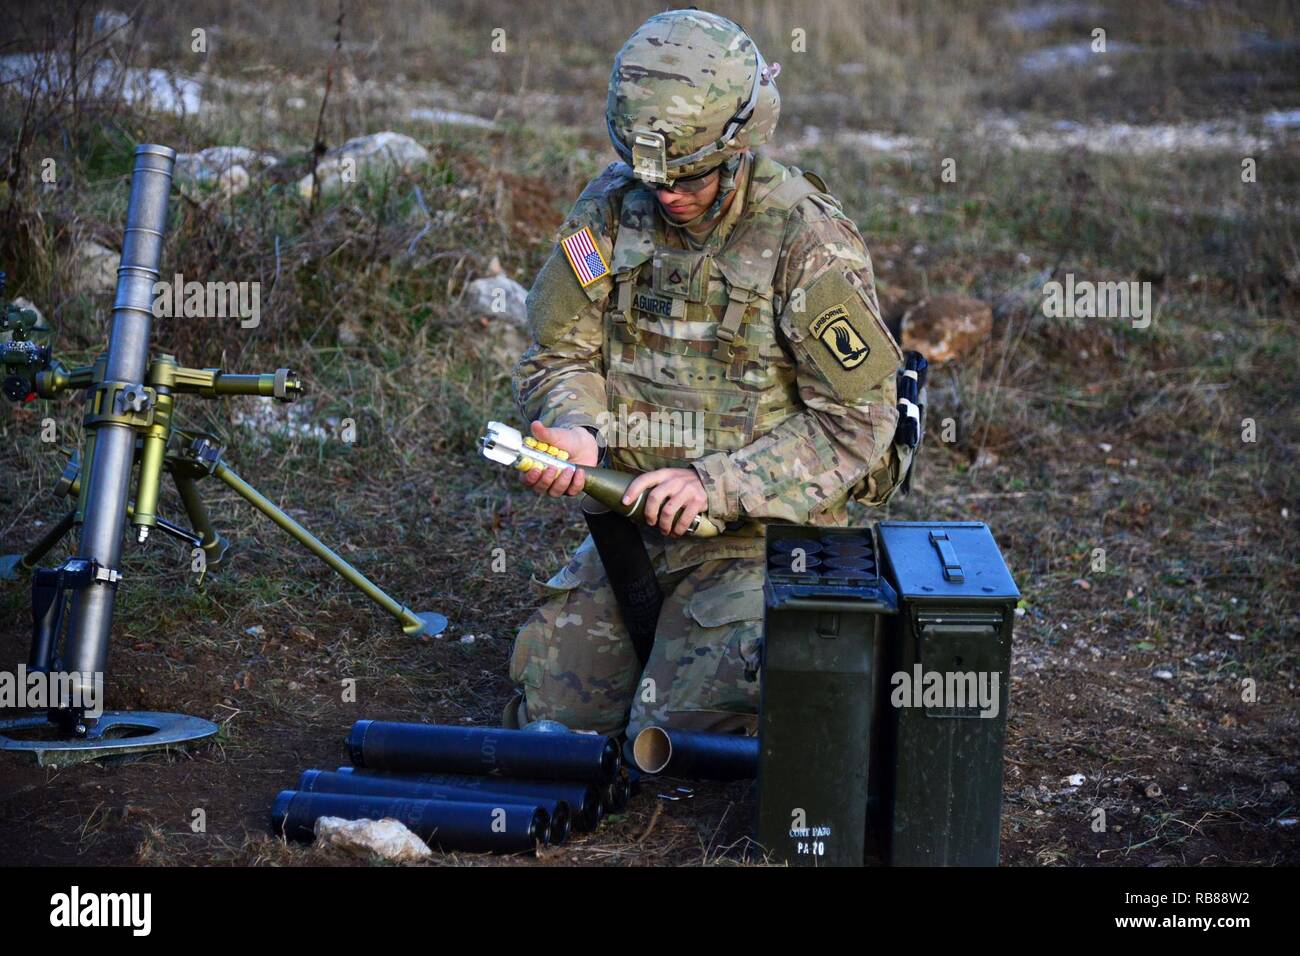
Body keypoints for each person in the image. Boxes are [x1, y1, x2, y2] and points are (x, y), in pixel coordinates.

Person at [505, 9, 910, 742]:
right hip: (628, 517)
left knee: (669, 739)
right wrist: (576, 427)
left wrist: (713, 483)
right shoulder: (609, 210)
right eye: (652, 175)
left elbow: (860, 423)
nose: (667, 196)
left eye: (689, 177)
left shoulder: (804, 237)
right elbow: (559, 351)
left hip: (758, 535)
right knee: (554, 721)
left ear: (741, 144)